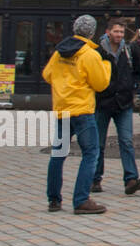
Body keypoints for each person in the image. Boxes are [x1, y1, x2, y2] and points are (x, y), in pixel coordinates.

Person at [42, 14, 112, 214]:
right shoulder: (89, 54)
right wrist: (106, 66)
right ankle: (81, 200)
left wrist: (63, 82)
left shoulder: (59, 52)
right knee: (91, 154)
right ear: (91, 33)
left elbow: (47, 75)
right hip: (82, 110)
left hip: (62, 110)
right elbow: (101, 84)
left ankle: (54, 200)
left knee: (58, 154)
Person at [93, 19, 140, 196]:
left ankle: (131, 179)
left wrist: (133, 88)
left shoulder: (130, 51)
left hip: (123, 102)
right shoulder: (98, 51)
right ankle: (95, 179)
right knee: (99, 143)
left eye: (122, 32)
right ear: (108, 32)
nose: (119, 35)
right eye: (116, 32)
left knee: (126, 141)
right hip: (103, 102)